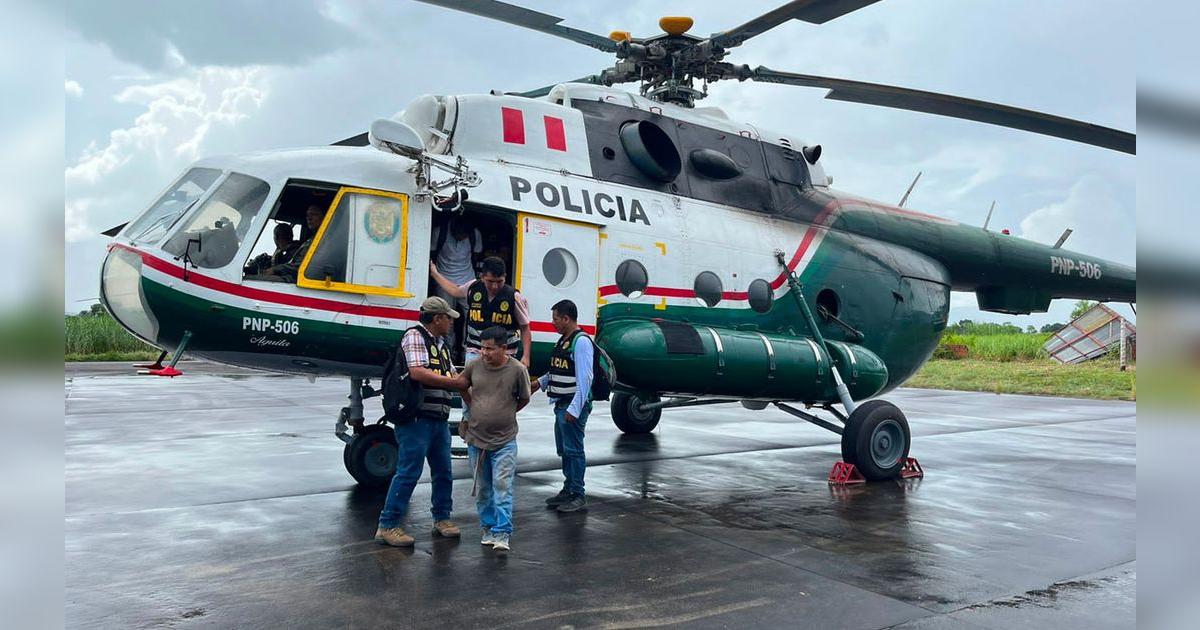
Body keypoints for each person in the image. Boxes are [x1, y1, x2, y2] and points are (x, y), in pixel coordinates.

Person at [374, 296, 465, 547]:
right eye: (448, 318)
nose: (451, 323)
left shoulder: (441, 343)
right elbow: (417, 372)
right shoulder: (415, 337)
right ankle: (388, 525)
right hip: (416, 420)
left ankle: (442, 518)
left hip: (437, 420)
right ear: (437, 318)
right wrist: (455, 384)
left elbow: (454, 375)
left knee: (444, 471)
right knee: (408, 472)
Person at [454, 326, 531, 552]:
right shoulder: (473, 366)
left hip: (505, 441)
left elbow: (524, 398)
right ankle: (487, 528)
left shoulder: (517, 370)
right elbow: (461, 385)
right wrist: (474, 405)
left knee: (502, 486)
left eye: (490, 349)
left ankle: (503, 532)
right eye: (482, 348)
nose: (484, 353)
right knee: (484, 489)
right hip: (477, 440)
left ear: (504, 348)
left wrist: (505, 411)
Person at [530, 299, 593, 513]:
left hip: (571, 406)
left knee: (574, 450)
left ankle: (577, 493)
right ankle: (568, 488)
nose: (553, 323)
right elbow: (558, 370)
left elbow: (585, 379)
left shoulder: (581, 341)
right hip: (561, 403)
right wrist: (539, 382)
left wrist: (574, 409)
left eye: (556, 319)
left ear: (567, 319)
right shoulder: (563, 341)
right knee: (564, 449)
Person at [430, 256, 532, 367]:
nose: (495, 286)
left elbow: (525, 327)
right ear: (482, 277)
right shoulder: (473, 288)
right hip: (475, 351)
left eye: (499, 282)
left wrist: (526, 356)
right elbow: (455, 291)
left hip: (504, 354)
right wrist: (435, 273)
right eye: (490, 281)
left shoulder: (514, 297)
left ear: (505, 277)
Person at [430, 216, 482, 349]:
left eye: (464, 235)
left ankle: (468, 349)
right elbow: (432, 253)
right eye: (458, 234)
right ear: (452, 227)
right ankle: (447, 349)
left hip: (467, 281)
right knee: (445, 318)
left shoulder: (474, 235)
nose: (460, 237)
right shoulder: (440, 232)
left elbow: (476, 256)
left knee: (472, 318)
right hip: (444, 281)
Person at [264, 204, 325, 282]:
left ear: (324, 217)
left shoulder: (323, 240)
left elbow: (305, 265)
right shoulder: (312, 240)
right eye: (308, 215)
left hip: (298, 280)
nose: (309, 218)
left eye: (314, 214)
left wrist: (276, 269)